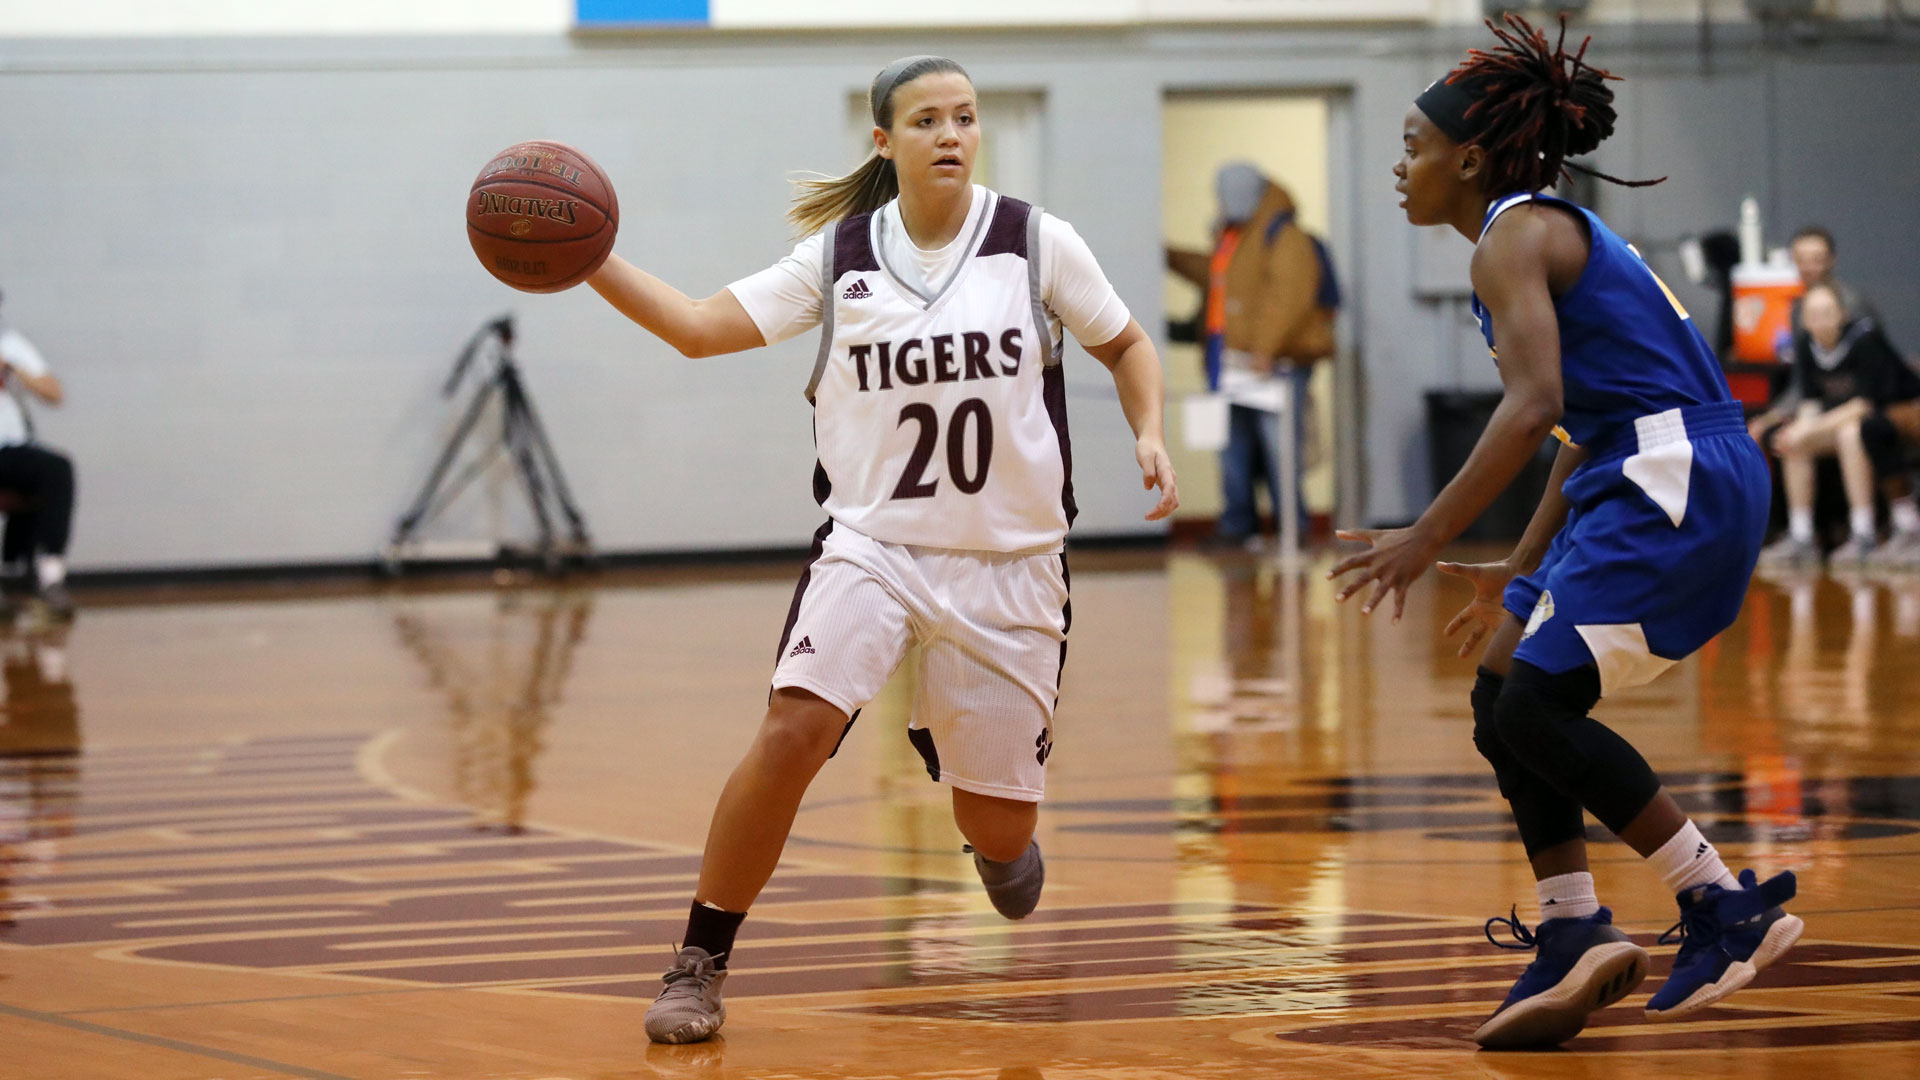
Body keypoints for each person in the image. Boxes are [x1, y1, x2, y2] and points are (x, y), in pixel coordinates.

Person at [576, 56, 1178, 1044]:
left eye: (966, 118)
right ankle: (699, 961)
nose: (951, 134)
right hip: (873, 548)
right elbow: (694, 328)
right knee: (790, 733)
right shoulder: (839, 257)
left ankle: (989, 828)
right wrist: (591, 259)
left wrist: (1149, 429)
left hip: (1010, 566)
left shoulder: (1035, 242)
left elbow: (1127, 346)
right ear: (885, 141)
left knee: (1001, 832)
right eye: (929, 119)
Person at [1332, 15, 1801, 1050]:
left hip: (1672, 474)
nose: (1400, 165)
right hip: (1642, 466)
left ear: (1467, 156)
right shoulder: (1529, 234)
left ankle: (1723, 904)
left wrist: (1422, 535)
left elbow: (1532, 402)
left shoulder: (1512, 232)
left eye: (1413, 145)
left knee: (1540, 705)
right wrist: (1521, 564)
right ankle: (1574, 927)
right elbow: (1577, 426)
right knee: (1504, 697)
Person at [1166, 165, 1337, 545]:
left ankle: (1293, 529)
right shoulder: (1233, 238)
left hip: (1274, 366)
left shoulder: (1285, 236)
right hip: (1229, 365)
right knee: (1231, 451)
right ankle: (1236, 526)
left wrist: (1264, 349)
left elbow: (1288, 297)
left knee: (1281, 452)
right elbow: (1216, 276)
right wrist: (1167, 256)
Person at [1750, 283, 1920, 569]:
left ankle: (1864, 533)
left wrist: (1810, 429)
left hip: (1893, 416)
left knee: (1851, 433)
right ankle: (1802, 536)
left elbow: (1864, 405)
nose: (1820, 320)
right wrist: (1799, 430)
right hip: (1854, 422)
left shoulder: (1864, 339)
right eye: (1812, 314)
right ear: (1803, 319)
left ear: (1842, 314)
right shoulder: (1806, 344)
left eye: (1827, 312)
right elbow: (1810, 402)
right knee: (1793, 440)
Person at [0, 290, 76, 620]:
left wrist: (13, 369)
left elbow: (54, 392)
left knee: (56, 469)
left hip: (9, 450)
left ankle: (48, 579)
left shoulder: (10, 344)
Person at [1786, 225, 1879, 344]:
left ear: (1831, 259)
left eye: (1817, 259)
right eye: (1801, 259)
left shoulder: (1852, 304)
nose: (1808, 267)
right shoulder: (1797, 307)